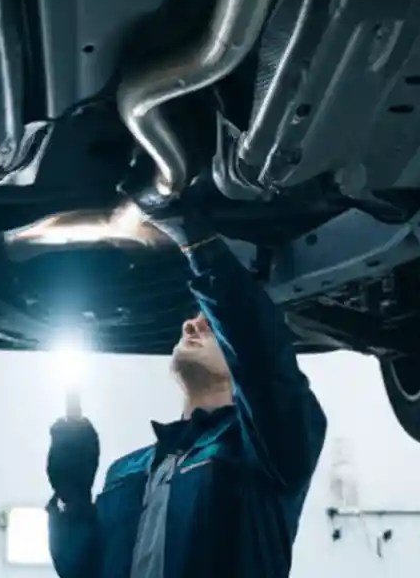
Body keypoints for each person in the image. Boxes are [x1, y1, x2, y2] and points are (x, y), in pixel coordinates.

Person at [45, 186, 327, 578]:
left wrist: (198, 242)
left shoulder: (265, 450)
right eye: (196, 320)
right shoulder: (126, 471)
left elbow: (263, 357)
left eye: (211, 325)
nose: (190, 324)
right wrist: (71, 495)